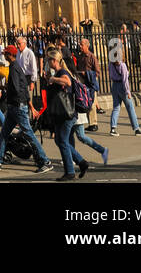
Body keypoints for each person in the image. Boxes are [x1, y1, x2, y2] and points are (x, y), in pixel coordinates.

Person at [0, 44, 53, 173]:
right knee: (4, 134)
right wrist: (29, 104)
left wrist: (4, 89)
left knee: (28, 134)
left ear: (10, 55)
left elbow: (17, 89)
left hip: (17, 106)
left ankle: (45, 161)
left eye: (6, 54)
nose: (5, 56)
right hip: (15, 107)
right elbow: (23, 88)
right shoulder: (17, 67)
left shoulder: (14, 69)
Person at [45, 47, 89, 182]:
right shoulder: (58, 71)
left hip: (66, 113)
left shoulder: (63, 72)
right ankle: (81, 162)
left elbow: (67, 81)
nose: (47, 62)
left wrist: (53, 79)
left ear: (54, 60)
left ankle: (70, 171)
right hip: (60, 113)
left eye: (48, 59)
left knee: (63, 141)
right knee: (59, 140)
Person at [108, 47, 141, 137]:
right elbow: (125, 80)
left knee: (116, 108)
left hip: (114, 85)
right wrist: (128, 91)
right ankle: (136, 128)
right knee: (130, 107)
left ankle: (113, 128)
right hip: (121, 86)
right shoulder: (122, 65)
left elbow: (111, 75)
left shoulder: (111, 64)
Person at [76, 36, 101, 129]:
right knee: (86, 101)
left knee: (92, 102)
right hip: (83, 81)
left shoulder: (92, 56)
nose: (80, 46)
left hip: (91, 81)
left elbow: (97, 72)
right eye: (80, 45)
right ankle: (90, 122)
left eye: (82, 45)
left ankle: (94, 123)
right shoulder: (80, 56)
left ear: (87, 46)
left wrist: (87, 73)